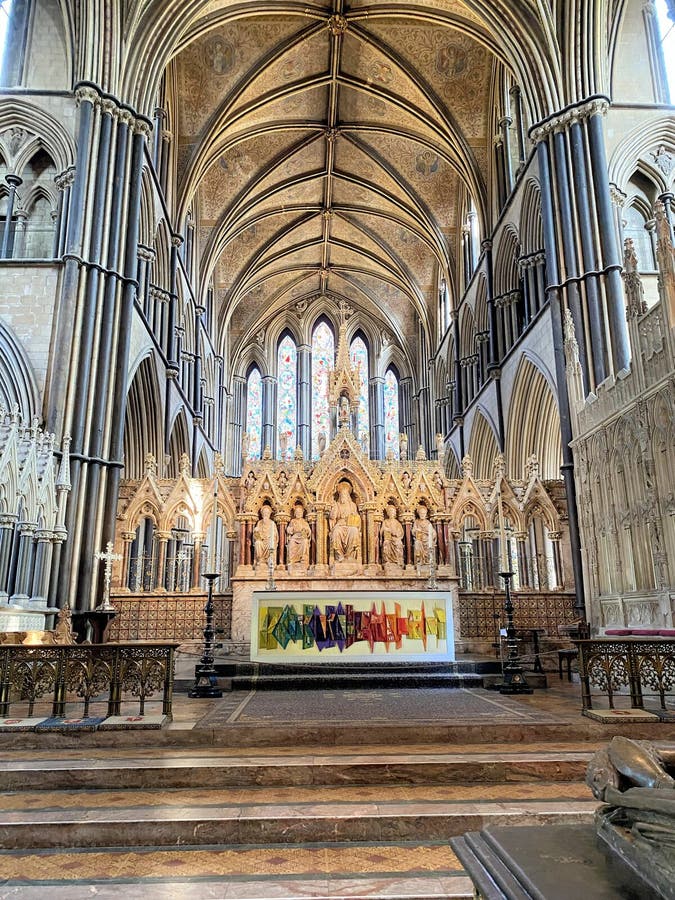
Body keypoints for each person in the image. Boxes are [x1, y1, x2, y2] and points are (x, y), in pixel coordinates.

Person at [329, 481, 360, 562]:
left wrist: (354, 516)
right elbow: (332, 517)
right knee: (336, 532)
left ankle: (350, 555)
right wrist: (333, 508)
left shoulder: (352, 505)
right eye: (342, 494)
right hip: (340, 525)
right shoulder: (337, 505)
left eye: (345, 494)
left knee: (354, 531)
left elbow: (357, 517)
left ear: (348, 496)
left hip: (350, 525)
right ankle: (339, 555)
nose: (343, 496)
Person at [253, 505, 278, 570]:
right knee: (258, 543)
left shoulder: (272, 523)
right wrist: (256, 531)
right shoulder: (259, 522)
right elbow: (256, 534)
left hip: (269, 539)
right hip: (261, 540)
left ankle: (269, 560)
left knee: (271, 542)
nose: (265, 514)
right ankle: (261, 560)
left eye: (267, 513)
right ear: (262, 514)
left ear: (269, 514)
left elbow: (275, 534)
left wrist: (270, 536)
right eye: (264, 513)